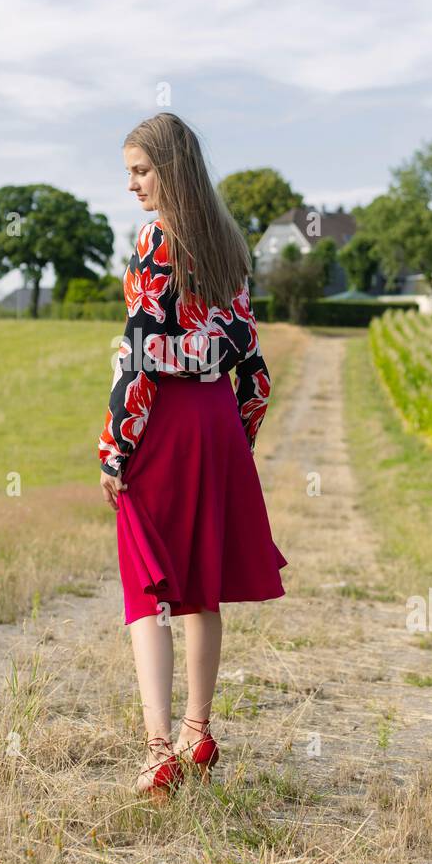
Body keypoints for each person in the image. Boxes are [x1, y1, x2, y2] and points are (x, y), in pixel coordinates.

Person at [98, 112, 287, 797]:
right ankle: (196, 731)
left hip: (165, 425)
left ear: (170, 170)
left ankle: (156, 753)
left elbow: (142, 357)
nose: (132, 186)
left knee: (147, 587)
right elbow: (254, 372)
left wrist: (114, 446)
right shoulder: (229, 244)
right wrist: (236, 442)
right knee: (200, 588)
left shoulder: (156, 240)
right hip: (216, 426)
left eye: (141, 171)